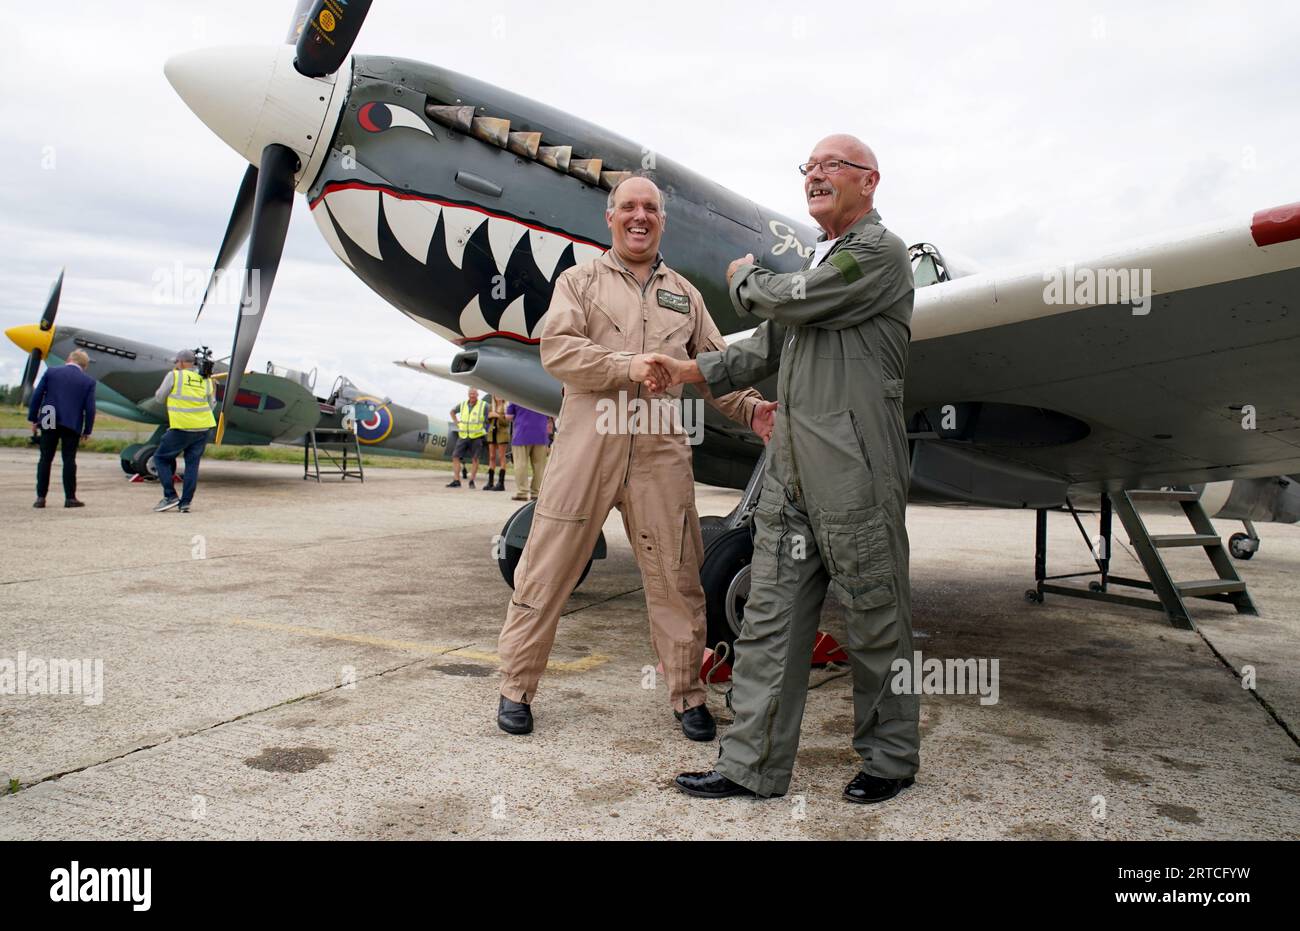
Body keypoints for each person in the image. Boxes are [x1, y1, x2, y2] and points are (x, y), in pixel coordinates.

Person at [663, 135, 919, 805]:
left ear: (871, 181)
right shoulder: (822, 263)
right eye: (806, 167)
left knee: (873, 618)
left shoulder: (877, 255)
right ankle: (751, 764)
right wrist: (689, 371)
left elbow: (790, 300)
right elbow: (765, 347)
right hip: (791, 466)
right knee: (770, 619)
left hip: (855, 468)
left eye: (831, 165)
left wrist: (744, 276)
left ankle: (890, 758)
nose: (814, 174)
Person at [494, 175, 766, 740]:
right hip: (587, 450)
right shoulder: (579, 281)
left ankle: (688, 695)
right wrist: (627, 366)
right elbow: (559, 351)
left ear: (661, 221)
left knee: (677, 578)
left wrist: (754, 411)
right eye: (628, 208)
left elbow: (717, 367)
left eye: (650, 209)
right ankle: (516, 688)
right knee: (545, 569)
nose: (639, 217)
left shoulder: (684, 295)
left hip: (660, 456)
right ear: (610, 218)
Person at [27, 349, 96, 508]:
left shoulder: (51, 372)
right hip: (72, 421)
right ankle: (70, 498)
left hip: (49, 416)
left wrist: (34, 419)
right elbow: (90, 408)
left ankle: (40, 498)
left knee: (45, 459)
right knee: (69, 459)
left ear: (68, 359)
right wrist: (87, 429)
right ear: (85, 366)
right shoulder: (88, 382)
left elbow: (37, 395)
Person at [151, 349, 217, 513]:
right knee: (192, 465)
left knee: (160, 459)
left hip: (182, 426)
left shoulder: (174, 375)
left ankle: (170, 496)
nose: (175, 364)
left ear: (181, 362)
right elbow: (212, 404)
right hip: (203, 427)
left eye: (176, 362)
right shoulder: (206, 380)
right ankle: (185, 503)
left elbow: (160, 398)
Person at [505, 400, 551, 501]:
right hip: (540, 434)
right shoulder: (543, 398)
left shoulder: (516, 396)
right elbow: (550, 416)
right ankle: (536, 492)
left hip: (521, 434)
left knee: (520, 464)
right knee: (540, 466)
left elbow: (508, 416)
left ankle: (523, 493)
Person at [447, 387, 487, 488]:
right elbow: (452, 412)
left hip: (476, 436)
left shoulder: (484, 405)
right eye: (470, 393)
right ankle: (456, 480)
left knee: (475, 459)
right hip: (463, 435)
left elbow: (489, 417)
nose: (472, 395)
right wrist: (457, 423)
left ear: (477, 395)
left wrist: (487, 429)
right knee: (455, 456)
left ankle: (472, 481)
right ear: (468, 394)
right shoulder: (463, 404)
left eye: (474, 393)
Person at [482, 394, 510, 492]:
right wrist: (490, 416)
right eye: (496, 394)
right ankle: (490, 482)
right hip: (492, 433)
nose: (498, 396)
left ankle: (501, 483)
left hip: (501, 433)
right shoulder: (491, 406)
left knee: (502, 457)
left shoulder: (507, 406)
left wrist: (497, 415)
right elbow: (486, 420)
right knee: (492, 457)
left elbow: (507, 422)